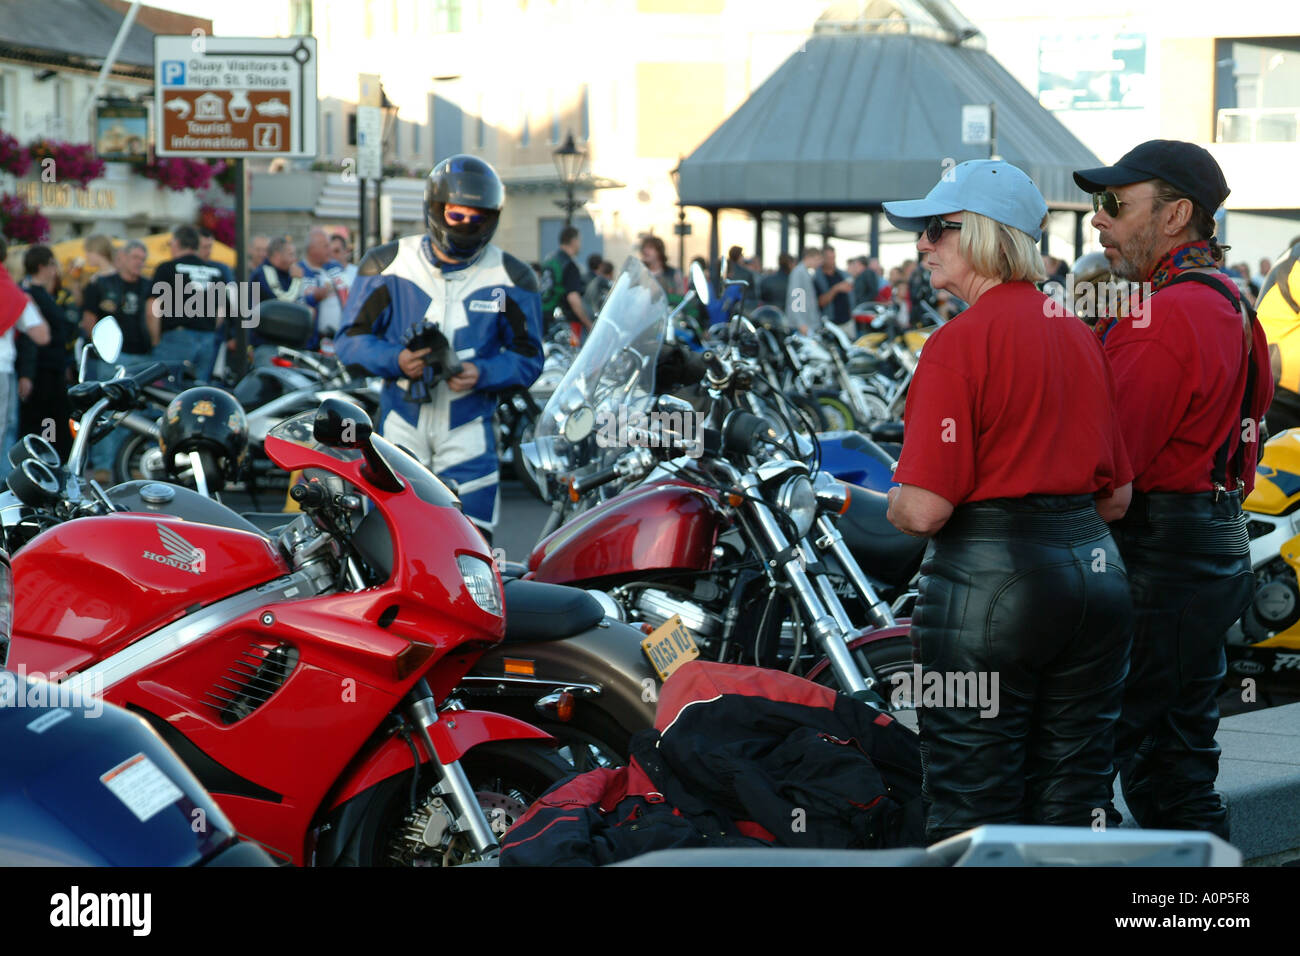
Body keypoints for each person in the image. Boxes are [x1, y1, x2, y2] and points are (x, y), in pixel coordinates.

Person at [882, 159, 1135, 844]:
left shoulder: (957, 343)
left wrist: (893, 504)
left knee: (972, 811)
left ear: (987, 235)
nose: (922, 244)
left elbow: (926, 510)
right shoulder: (1079, 334)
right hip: (1094, 576)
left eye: (937, 228)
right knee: (1078, 801)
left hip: (988, 590)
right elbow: (1119, 496)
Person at [1074, 140, 1273, 840]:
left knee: (1106, 760)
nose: (1098, 221)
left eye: (1114, 205)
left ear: (1175, 214)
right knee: (1178, 764)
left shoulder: (1165, 318)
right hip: (1207, 545)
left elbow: (1107, 465)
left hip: (1161, 555)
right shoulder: (1229, 300)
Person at [334, 154, 543, 540]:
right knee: (389, 542)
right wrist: (396, 360)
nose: (466, 224)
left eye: (477, 217)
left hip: (470, 431)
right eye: (457, 215)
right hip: (399, 427)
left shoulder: (513, 276)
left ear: (492, 217)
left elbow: (530, 357)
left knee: (472, 547)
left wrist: (484, 373)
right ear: (435, 209)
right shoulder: (387, 264)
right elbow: (348, 341)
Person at [80, 238, 155, 477]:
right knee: (108, 409)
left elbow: (154, 316)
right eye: (135, 258)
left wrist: (155, 344)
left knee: (137, 411)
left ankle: (129, 463)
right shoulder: (101, 284)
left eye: (142, 259)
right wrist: (101, 349)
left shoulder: (147, 285)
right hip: (112, 357)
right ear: (121, 258)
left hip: (141, 354)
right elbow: (89, 321)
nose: (139, 263)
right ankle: (103, 466)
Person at [17, 245, 75, 460]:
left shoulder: (43, 294)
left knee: (56, 424)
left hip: (53, 369)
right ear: (43, 266)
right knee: (40, 424)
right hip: (41, 371)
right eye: (52, 264)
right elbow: (30, 339)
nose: (55, 269)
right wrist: (26, 374)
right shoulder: (29, 294)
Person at [0, 238, 51, 483]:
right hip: (2, 369)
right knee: (4, 431)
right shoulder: (10, 290)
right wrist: (26, 301)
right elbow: (41, 335)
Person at [150, 225, 227, 383]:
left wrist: (155, 340)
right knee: (197, 395)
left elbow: (152, 308)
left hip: (177, 336)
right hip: (207, 337)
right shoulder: (216, 272)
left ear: (177, 243)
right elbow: (221, 313)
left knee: (165, 390)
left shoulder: (167, 268)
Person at [298, 226, 346, 349]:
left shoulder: (335, 267)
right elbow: (296, 305)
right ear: (312, 249)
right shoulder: (299, 271)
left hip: (340, 340)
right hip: (313, 343)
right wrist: (314, 298)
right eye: (326, 246)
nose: (329, 250)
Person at [540, 225, 591, 339]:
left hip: (544, 319)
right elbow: (573, 298)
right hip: (564, 324)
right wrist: (589, 324)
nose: (580, 244)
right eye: (579, 240)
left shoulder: (549, 260)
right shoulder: (569, 264)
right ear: (574, 241)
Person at [813, 244, 853, 331]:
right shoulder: (817, 278)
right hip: (830, 324)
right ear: (822, 259)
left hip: (847, 322)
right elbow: (820, 302)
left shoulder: (842, 275)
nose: (833, 261)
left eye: (834, 257)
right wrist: (835, 289)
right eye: (829, 258)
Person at [786, 246, 822, 331]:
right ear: (808, 257)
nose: (819, 263)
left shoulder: (804, 272)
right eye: (817, 259)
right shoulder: (799, 273)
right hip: (802, 326)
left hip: (806, 324)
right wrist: (800, 324)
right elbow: (795, 299)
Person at [640, 234, 680, 300]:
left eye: (650, 248)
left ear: (659, 251)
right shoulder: (640, 274)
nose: (645, 251)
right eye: (644, 248)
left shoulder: (673, 274)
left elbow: (680, 300)